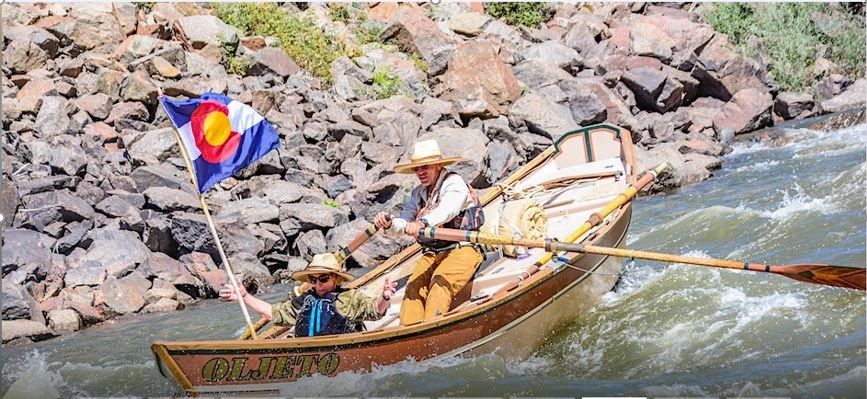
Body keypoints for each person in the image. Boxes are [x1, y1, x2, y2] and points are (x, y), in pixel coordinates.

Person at [374, 139, 484, 326]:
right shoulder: (418, 193)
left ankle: (432, 334)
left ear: (439, 165)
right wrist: (389, 224)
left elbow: (448, 209)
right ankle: (408, 335)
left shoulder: (454, 183)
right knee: (413, 289)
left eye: (425, 167)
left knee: (440, 284)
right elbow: (404, 222)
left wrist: (423, 222)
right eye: (417, 169)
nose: (420, 173)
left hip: (463, 248)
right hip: (433, 253)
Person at [219, 253, 397, 337]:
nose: (318, 284)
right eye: (313, 279)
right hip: (307, 350)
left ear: (336, 279)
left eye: (323, 278)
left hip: (341, 349)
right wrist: (244, 297)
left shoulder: (351, 297)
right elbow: (273, 313)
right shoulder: (305, 300)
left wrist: (385, 297)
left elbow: (374, 311)